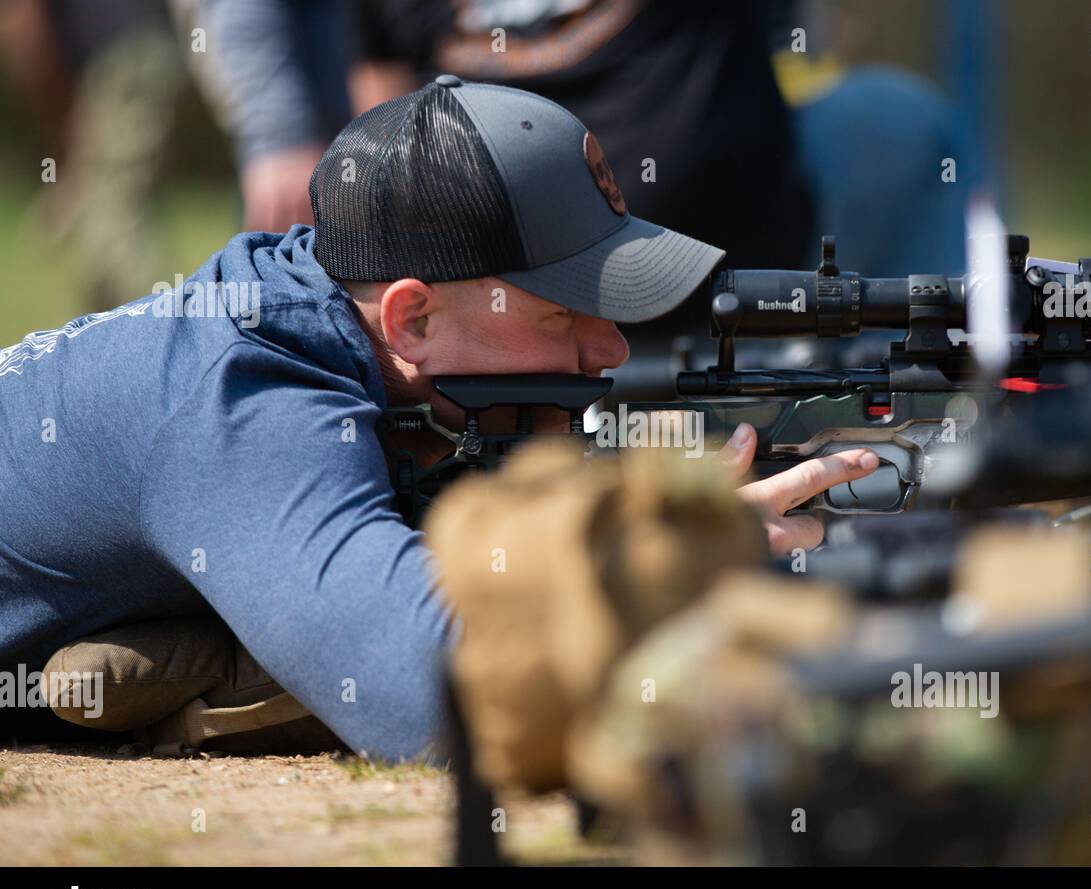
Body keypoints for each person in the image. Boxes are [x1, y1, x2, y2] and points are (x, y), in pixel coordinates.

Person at [0, 78, 878, 760]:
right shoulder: (243, 394)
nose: (609, 350)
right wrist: (680, 564)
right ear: (411, 318)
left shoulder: (304, 297)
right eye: (561, 311)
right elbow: (422, 698)